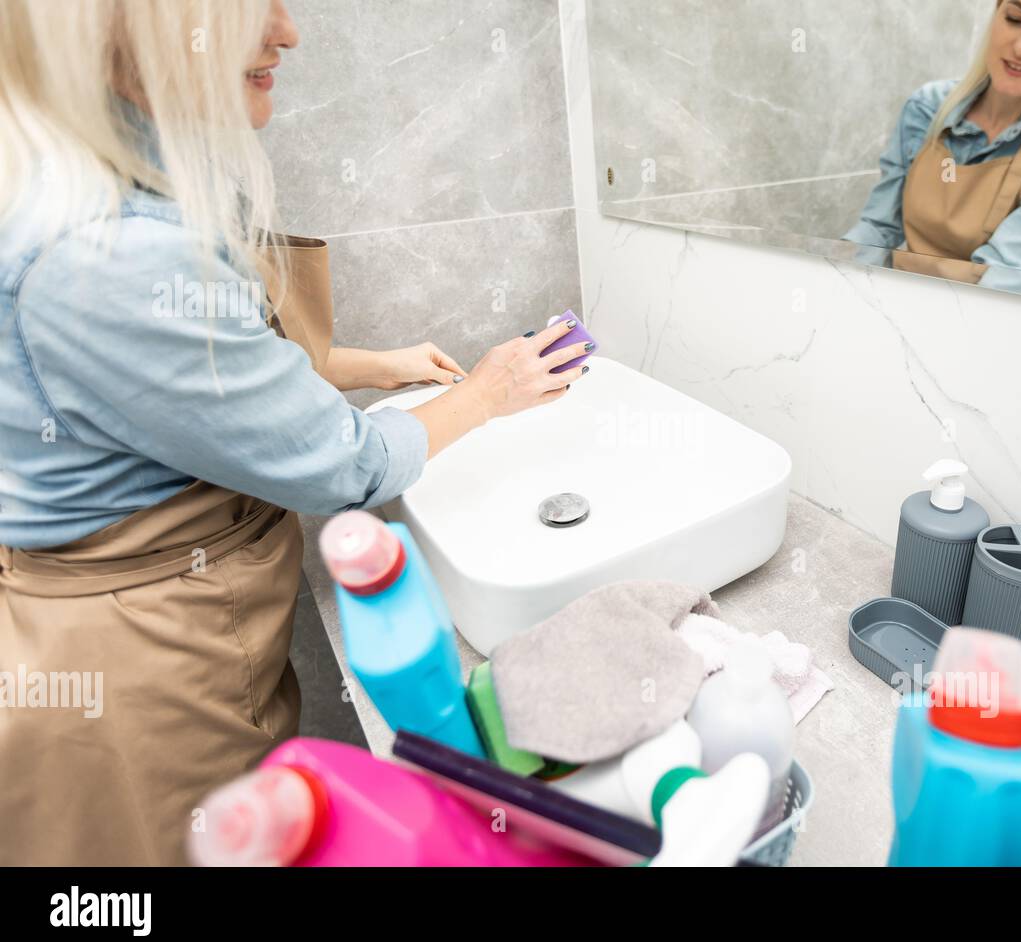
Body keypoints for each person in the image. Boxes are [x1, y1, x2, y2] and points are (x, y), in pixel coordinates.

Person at [0, 0, 590, 865]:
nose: (287, 31)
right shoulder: (114, 249)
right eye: (251, 6)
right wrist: (490, 392)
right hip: (138, 682)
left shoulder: (89, 187)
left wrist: (371, 363)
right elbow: (348, 467)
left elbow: (189, 388)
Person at [844, 0, 1021, 293]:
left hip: (994, 316)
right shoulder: (927, 107)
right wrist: (835, 279)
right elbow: (878, 229)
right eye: (1015, 18)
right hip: (901, 305)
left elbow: (1004, 274)